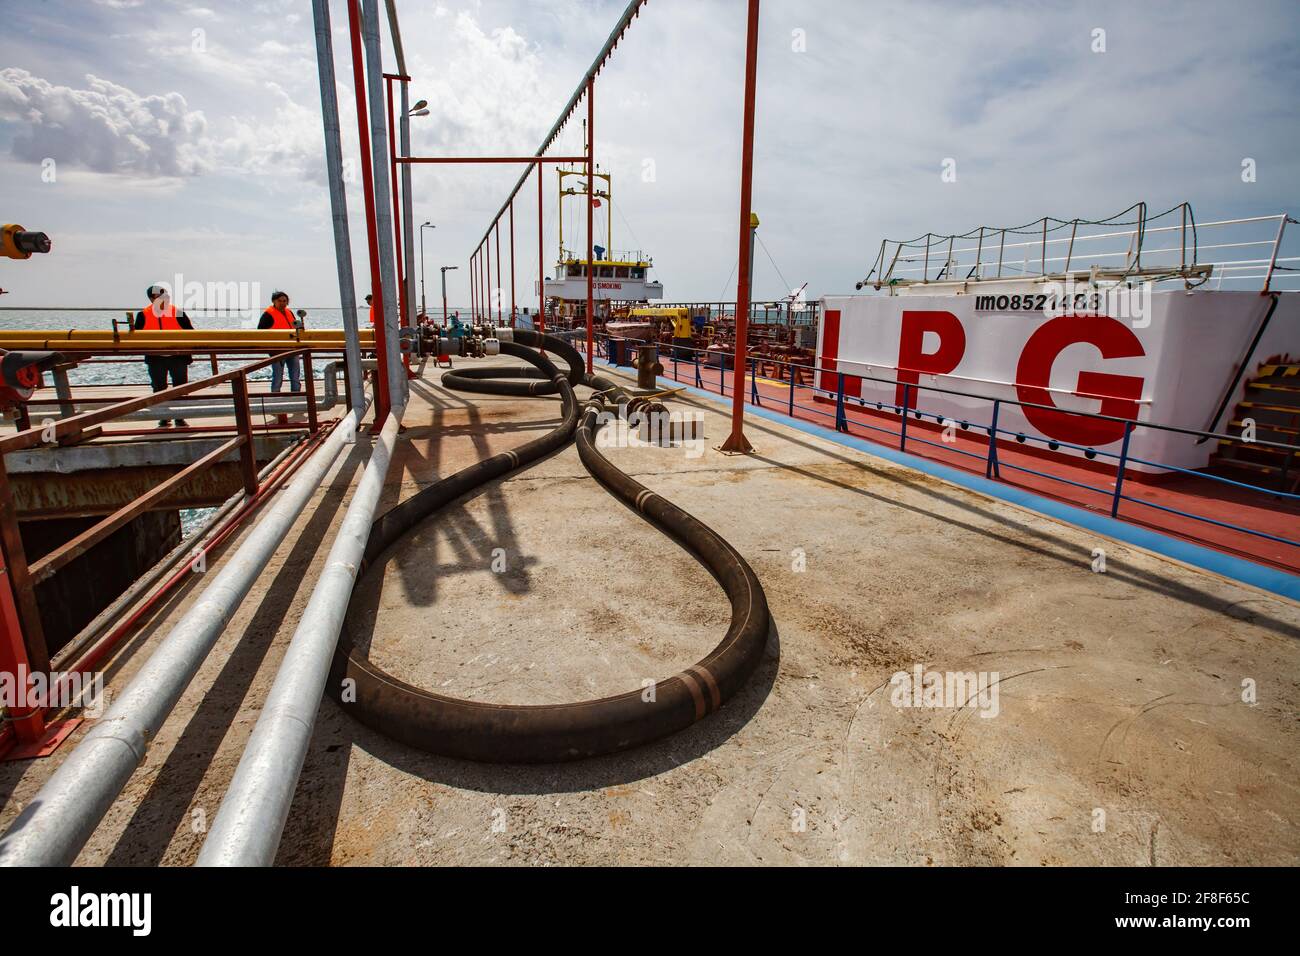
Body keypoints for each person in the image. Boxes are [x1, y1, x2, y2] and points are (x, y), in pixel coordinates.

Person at [135, 285, 193, 428]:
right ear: (151, 299)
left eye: (165, 295)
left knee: (180, 388)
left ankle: (179, 418)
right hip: (155, 358)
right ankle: (163, 417)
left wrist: (188, 353)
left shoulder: (177, 312)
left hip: (177, 357)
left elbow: (190, 333)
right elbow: (136, 337)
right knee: (159, 389)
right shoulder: (143, 315)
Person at [258, 291, 300, 393]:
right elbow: (260, 332)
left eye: (284, 301)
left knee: (295, 375)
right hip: (277, 350)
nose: (282, 303)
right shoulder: (268, 315)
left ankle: (296, 394)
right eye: (279, 301)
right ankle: (275, 396)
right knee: (277, 375)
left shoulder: (289, 312)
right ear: (274, 301)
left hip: (292, 348)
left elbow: (295, 327)